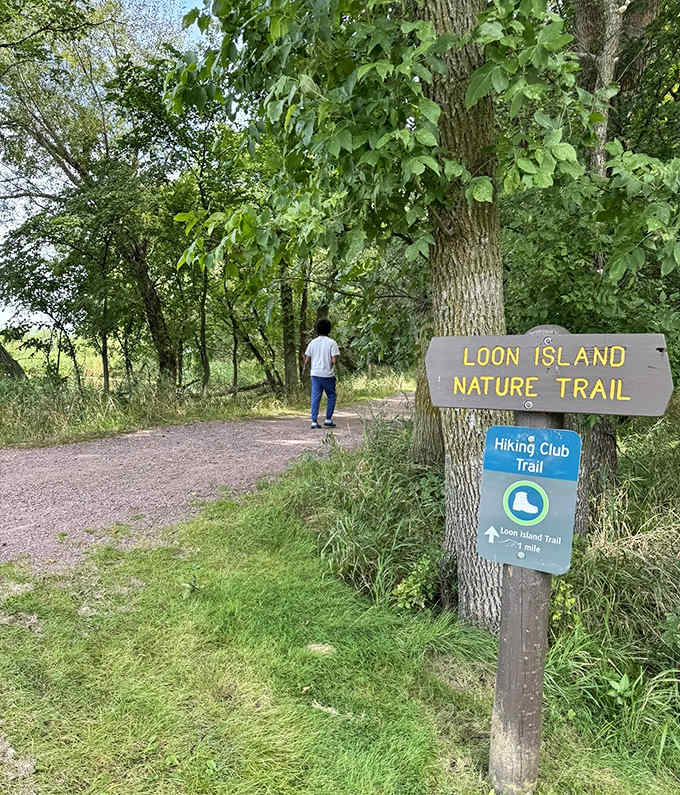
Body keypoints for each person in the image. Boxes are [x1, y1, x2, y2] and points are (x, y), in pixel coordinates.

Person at [303, 318, 340, 429]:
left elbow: (307, 359)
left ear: (317, 329)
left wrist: (306, 368)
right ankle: (328, 419)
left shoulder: (312, 343)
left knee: (315, 397)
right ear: (329, 329)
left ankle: (314, 422)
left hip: (315, 374)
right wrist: (332, 364)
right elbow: (334, 360)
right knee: (331, 396)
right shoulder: (332, 342)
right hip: (328, 375)